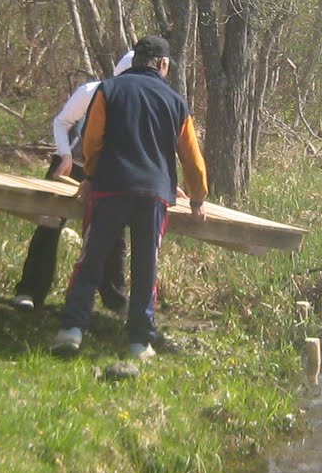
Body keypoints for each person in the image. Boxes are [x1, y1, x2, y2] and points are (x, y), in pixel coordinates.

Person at [52, 34, 208, 360]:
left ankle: (72, 329)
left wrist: (92, 176)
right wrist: (197, 197)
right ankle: (139, 341)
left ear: (134, 59)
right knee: (145, 267)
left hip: (110, 185)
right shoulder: (176, 102)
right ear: (163, 64)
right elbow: (192, 157)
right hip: (154, 194)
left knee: (91, 260)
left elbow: (92, 141)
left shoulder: (109, 89)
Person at [12, 50, 133, 314]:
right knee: (48, 224)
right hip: (71, 166)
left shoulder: (138, 101)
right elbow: (62, 122)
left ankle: (116, 299)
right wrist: (64, 154)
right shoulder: (91, 91)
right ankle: (30, 290)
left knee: (114, 235)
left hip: (107, 173)